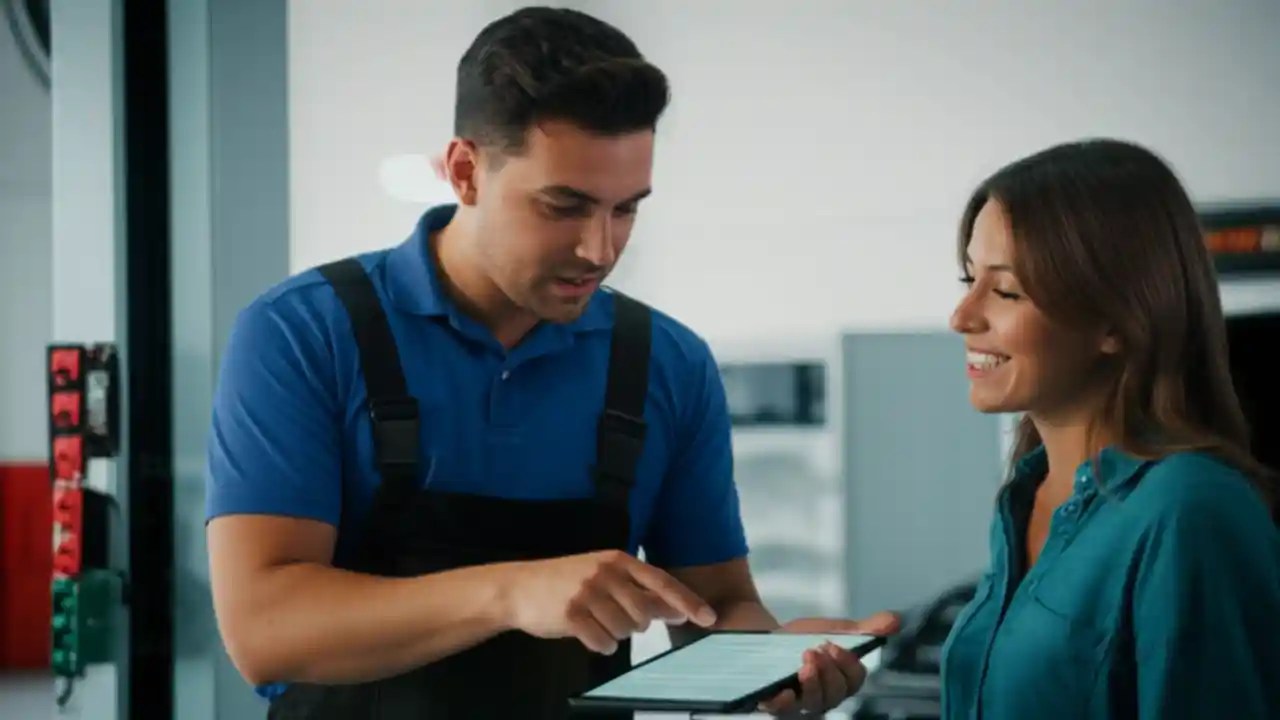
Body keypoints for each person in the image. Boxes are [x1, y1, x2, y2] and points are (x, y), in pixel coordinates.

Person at [205, 6, 895, 719]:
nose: (599, 249)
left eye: (626, 209)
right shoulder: (305, 332)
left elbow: (717, 605)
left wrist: (772, 665)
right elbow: (265, 631)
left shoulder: (667, 362)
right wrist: (512, 593)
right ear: (466, 171)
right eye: (563, 206)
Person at [940, 138, 1280, 719]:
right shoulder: (1026, 495)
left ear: (1114, 321)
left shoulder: (1190, 512)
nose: (961, 317)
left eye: (1005, 290)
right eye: (967, 279)